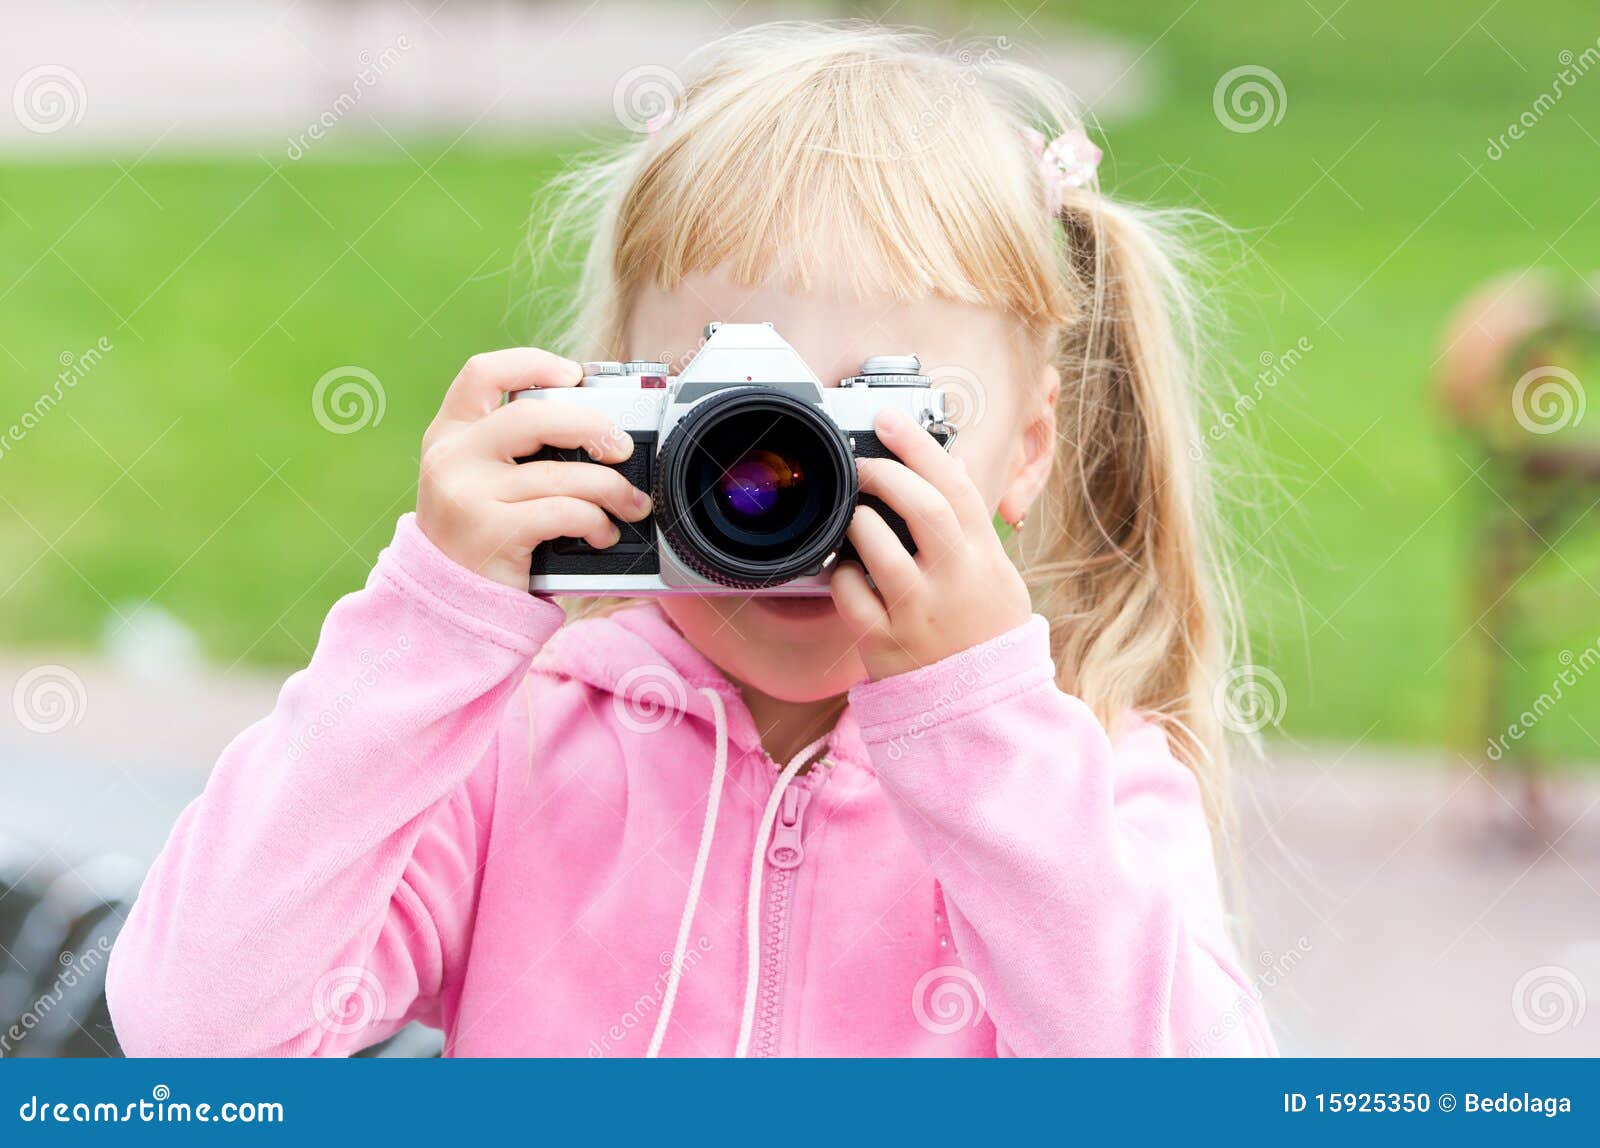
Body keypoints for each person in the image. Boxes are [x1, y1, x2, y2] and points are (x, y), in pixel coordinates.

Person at [108, 22, 1274, 1057]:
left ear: (1023, 449)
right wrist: (434, 618)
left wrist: (975, 724)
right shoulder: (512, 752)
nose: (788, 484)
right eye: (737, 414)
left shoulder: (1080, 786)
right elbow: (198, 1033)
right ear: (621, 410)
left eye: (875, 414)